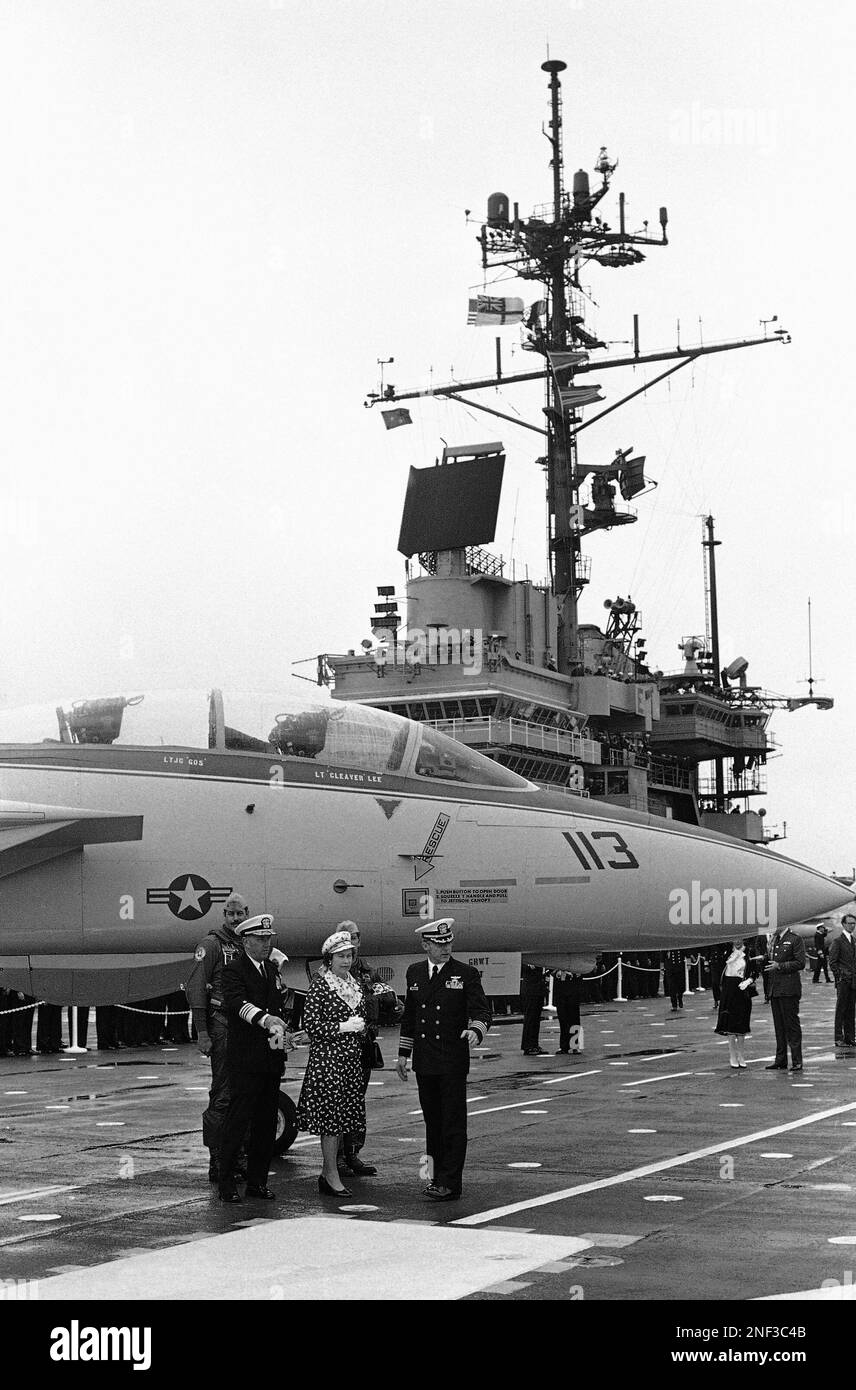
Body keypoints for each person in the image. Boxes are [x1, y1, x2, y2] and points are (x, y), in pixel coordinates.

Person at [395, 919, 491, 1202]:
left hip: (451, 1059)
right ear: (426, 945)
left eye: (448, 942)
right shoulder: (414, 973)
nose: (445, 947)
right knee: (432, 1121)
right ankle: (436, 1177)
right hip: (425, 1061)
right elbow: (410, 1017)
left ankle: (450, 1182)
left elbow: (483, 1011)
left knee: (452, 1122)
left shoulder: (465, 973)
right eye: (439, 943)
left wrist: (475, 1030)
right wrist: (403, 1053)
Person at [217, 914, 289, 1203]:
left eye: (268, 938)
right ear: (245, 941)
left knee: (265, 1123)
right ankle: (226, 1182)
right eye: (260, 939)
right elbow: (237, 1004)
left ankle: (258, 1181)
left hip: (270, 1058)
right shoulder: (233, 970)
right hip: (245, 1061)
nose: (265, 943)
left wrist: (284, 1035)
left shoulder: (271, 970)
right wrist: (265, 1019)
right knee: (238, 1121)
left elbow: (278, 1007)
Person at [297, 930, 368, 1198]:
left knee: (342, 1120)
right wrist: (342, 1027)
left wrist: (360, 1028)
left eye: (349, 955)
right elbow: (312, 1026)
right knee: (331, 1122)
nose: (346, 960)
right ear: (329, 959)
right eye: (340, 956)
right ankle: (330, 1173)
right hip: (328, 1062)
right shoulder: (321, 985)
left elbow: (359, 1017)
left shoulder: (354, 983)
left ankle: (329, 1173)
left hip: (349, 1061)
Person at [184, 893, 249, 1183]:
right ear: (224, 915)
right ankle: (218, 1159)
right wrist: (202, 1031)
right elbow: (196, 988)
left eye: (240, 914)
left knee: (244, 1094)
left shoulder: (247, 944)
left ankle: (238, 1156)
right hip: (220, 1025)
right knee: (222, 1094)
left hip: (244, 1027)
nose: (235, 919)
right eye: (231, 914)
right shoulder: (211, 945)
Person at [341, 921, 379, 1177]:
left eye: (355, 936)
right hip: (340, 1048)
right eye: (346, 936)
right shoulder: (328, 972)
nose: (352, 941)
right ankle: (337, 1158)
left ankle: (353, 1153)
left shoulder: (369, 972)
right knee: (339, 1102)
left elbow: (378, 1001)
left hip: (364, 1045)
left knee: (356, 1102)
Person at [764, 924, 806, 1072]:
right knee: (779, 1027)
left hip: (789, 989)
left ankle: (797, 1061)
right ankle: (781, 1060)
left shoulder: (795, 939)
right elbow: (772, 958)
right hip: (775, 989)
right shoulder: (774, 939)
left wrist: (780, 965)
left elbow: (800, 962)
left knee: (792, 1026)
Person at [714, 938, 757, 1068]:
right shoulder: (727, 953)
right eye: (735, 940)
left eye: (740, 940)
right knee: (730, 1025)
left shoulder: (749, 952)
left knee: (742, 1024)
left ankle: (741, 1056)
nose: (737, 942)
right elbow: (720, 969)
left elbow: (755, 970)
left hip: (742, 988)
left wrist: (749, 981)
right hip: (728, 989)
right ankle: (732, 1056)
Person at [829, 913, 856, 1048]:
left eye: (854, 923)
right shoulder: (838, 941)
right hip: (843, 981)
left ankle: (850, 1037)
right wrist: (839, 977)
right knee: (841, 1010)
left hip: (853, 981)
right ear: (844, 924)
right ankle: (839, 1038)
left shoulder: (853, 940)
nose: (852, 926)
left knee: (851, 1010)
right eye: (850, 923)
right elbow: (833, 962)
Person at [552, 971, 582, 1054]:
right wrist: (556, 972)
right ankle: (563, 1046)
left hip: (573, 984)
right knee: (562, 1017)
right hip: (560, 986)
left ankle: (574, 1045)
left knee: (574, 1017)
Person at [520, 964, 546, 1055]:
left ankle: (534, 1044)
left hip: (538, 988)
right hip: (530, 989)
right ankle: (528, 1045)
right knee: (530, 1018)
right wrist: (528, 966)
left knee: (535, 1019)